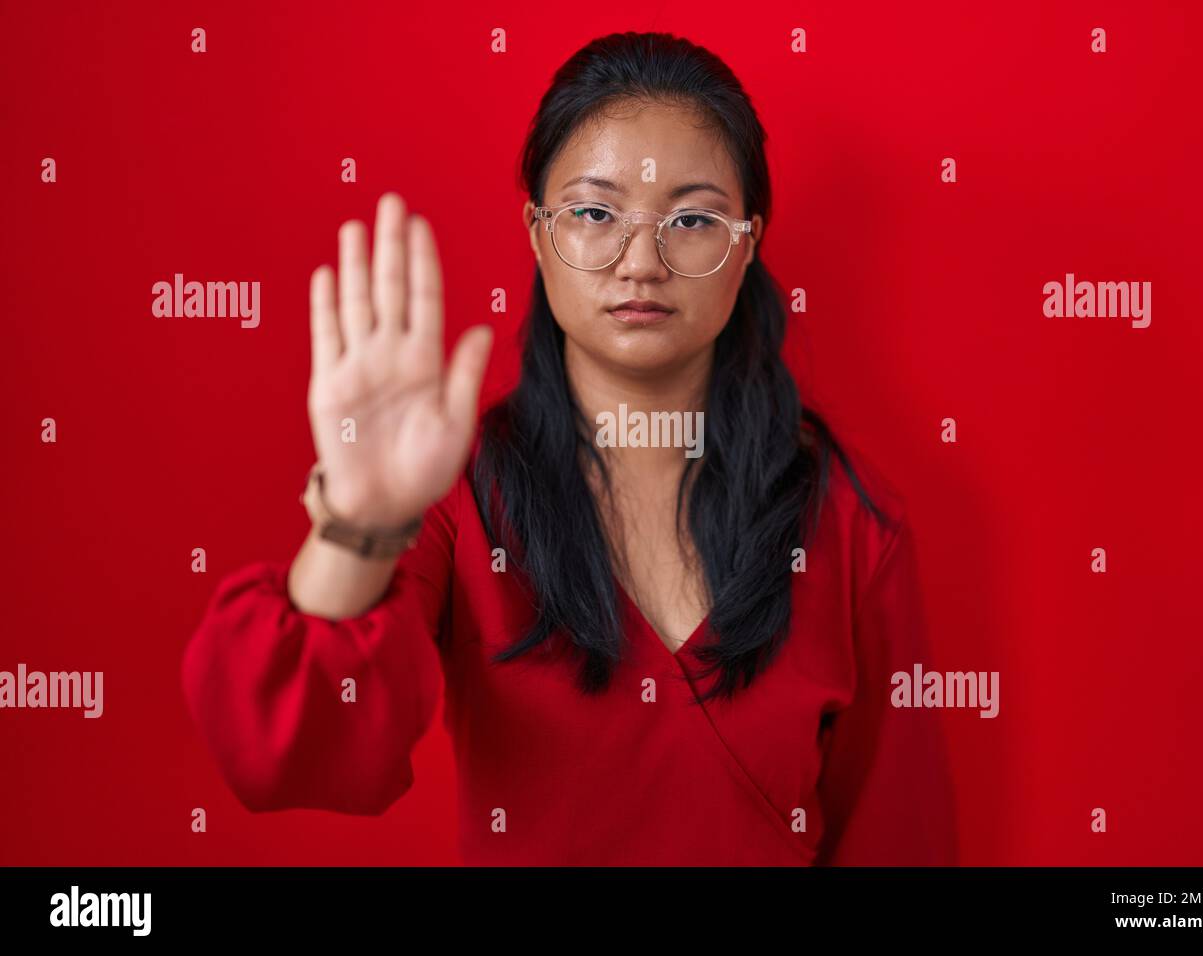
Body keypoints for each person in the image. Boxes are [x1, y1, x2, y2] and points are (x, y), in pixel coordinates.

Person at [181, 30, 958, 866]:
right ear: (537, 232)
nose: (640, 263)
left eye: (692, 220)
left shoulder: (849, 521)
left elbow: (900, 837)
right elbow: (286, 755)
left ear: (746, 246)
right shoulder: (457, 495)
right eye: (594, 213)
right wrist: (356, 522)